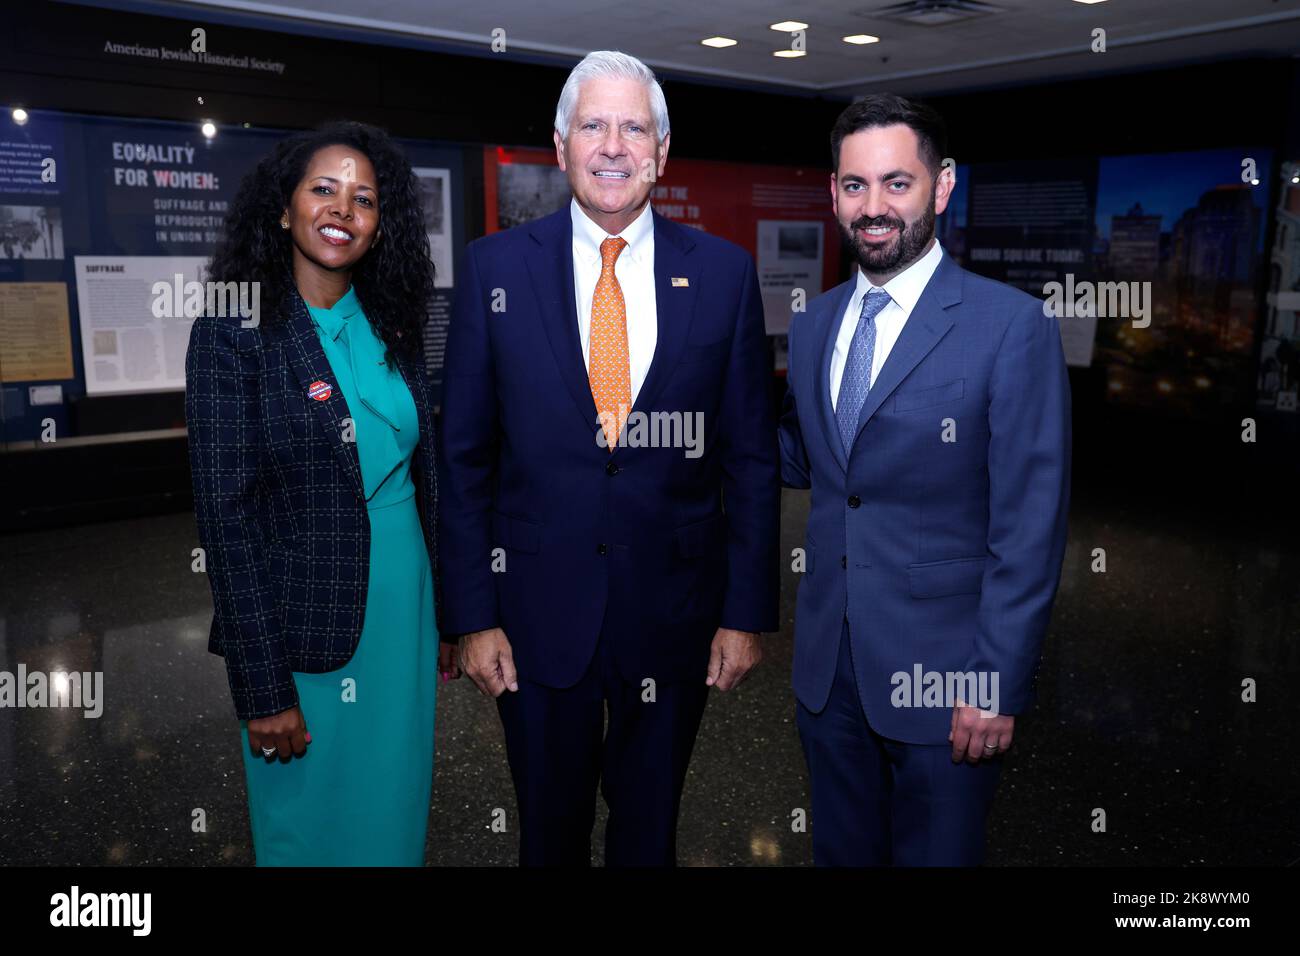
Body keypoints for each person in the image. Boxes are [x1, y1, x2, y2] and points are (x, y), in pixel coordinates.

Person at [439, 50, 780, 866]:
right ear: (560, 146)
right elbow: (463, 459)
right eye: (594, 124)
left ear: (661, 152)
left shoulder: (726, 277)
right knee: (548, 835)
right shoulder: (495, 269)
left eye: (635, 127)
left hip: (676, 615)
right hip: (532, 616)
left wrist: (745, 612)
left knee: (649, 833)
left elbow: (752, 460)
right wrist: (471, 618)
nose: (613, 145)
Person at [779, 94, 1071, 865]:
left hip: (949, 687)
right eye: (854, 185)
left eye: (896, 184)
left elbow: (1029, 527)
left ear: (942, 187)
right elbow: (814, 464)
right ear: (835, 192)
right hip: (829, 677)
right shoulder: (814, 326)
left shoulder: (1010, 327)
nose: (873, 208)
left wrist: (996, 681)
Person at [185, 121, 458, 866]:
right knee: (305, 828)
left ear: (378, 226)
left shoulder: (395, 324)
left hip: (402, 614)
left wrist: (452, 618)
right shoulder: (232, 330)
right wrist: (262, 688)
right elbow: (228, 523)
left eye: (364, 199)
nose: (343, 209)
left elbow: (427, 478)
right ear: (285, 208)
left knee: (390, 813)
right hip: (302, 627)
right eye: (324, 190)